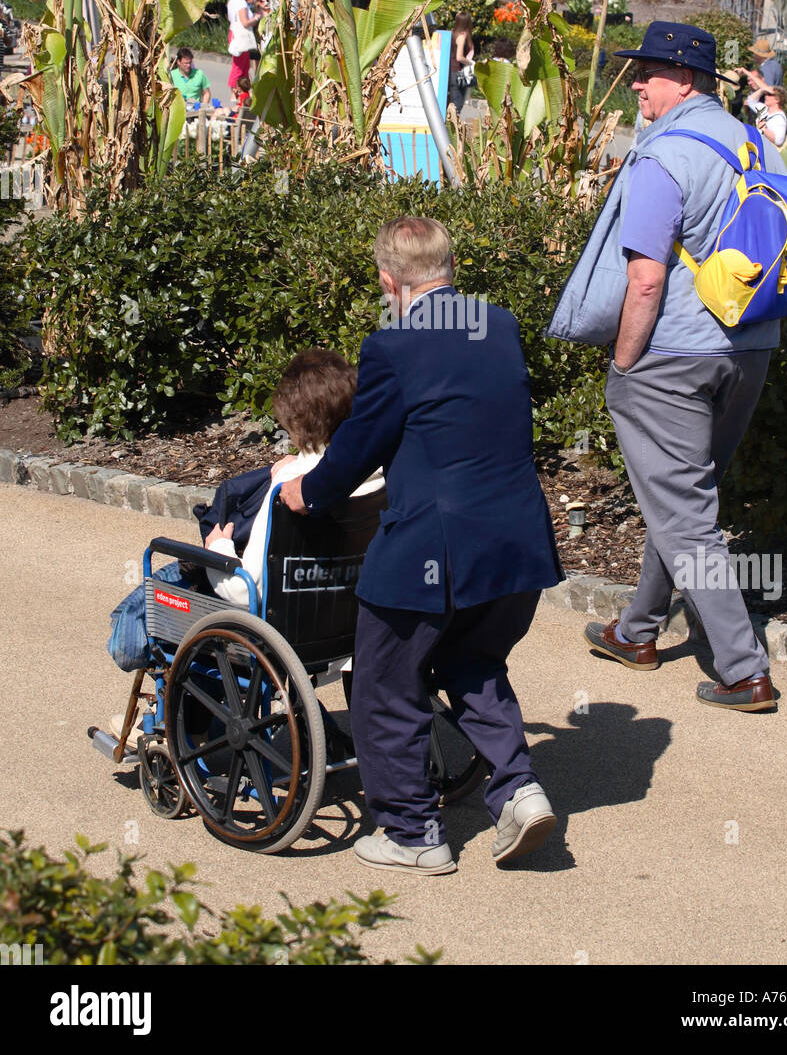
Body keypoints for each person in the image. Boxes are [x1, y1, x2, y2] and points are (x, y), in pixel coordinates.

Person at [279, 217, 563, 873]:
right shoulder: (500, 325)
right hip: (517, 545)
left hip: (435, 551)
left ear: (388, 280)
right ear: (449, 265)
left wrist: (311, 492)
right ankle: (518, 789)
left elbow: (358, 446)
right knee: (472, 661)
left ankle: (412, 832)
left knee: (382, 682)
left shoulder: (393, 346)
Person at [548, 22, 781, 712]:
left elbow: (644, 281)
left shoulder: (660, 156)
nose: (637, 83)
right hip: (751, 345)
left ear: (683, 81)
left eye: (647, 70)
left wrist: (623, 366)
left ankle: (744, 670)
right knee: (684, 498)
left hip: (671, 356)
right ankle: (637, 630)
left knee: (685, 512)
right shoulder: (752, 142)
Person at [106, 351, 385, 690]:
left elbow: (243, 589)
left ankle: (167, 705)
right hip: (343, 626)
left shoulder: (291, 489)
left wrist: (219, 546)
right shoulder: (379, 475)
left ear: (295, 424)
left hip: (274, 631)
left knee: (165, 583)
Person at [227, 0, 265, 91]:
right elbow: (245, 22)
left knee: (240, 65)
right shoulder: (241, 3)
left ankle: (240, 91)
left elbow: (230, 18)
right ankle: (235, 91)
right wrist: (257, 17)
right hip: (241, 36)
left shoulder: (232, 1)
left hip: (233, 33)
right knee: (240, 67)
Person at [448, 11, 475, 112]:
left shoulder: (452, 33)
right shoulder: (462, 36)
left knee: (451, 104)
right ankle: (452, 127)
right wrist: (470, 63)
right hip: (457, 73)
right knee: (457, 106)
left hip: (450, 71)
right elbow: (459, 57)